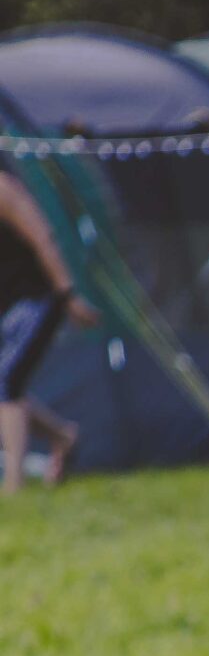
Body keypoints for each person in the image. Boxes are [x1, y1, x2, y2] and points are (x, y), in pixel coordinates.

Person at [0, 167, 100, 493]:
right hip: (8, 306)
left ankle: (14, 485)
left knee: (6, 382)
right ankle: (61, 436)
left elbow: (43, 238)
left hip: (37, 300)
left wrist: (68, 296)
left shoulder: (4, 188)